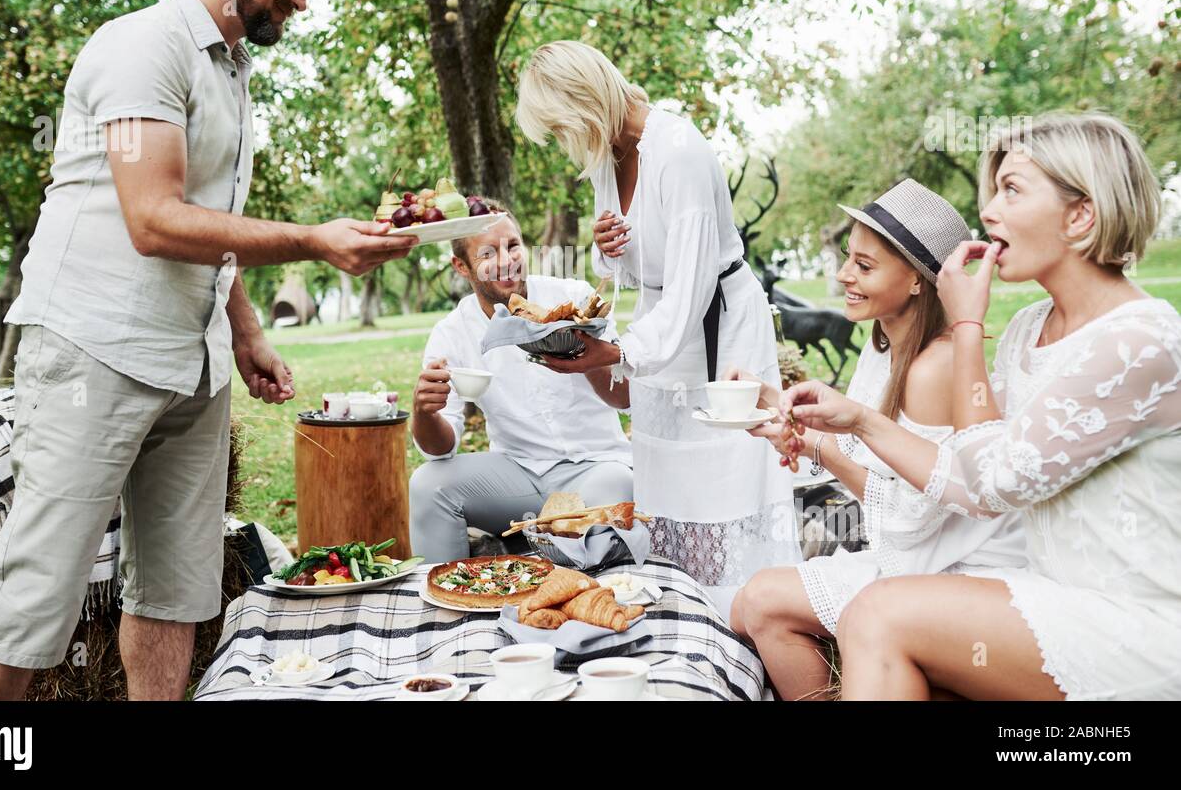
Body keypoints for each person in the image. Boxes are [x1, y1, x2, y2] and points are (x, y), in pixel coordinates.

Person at [0, 0, 416, 701]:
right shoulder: (141, 48)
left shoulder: (230, 69)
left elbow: (211, 220)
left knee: (176, 593)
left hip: (192, 365)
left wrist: (244, 329)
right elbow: (155, 219)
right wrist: (313, 239)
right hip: (96, 350)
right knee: (30, 595)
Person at [780, 112, 1181, 699]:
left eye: (1011, 190)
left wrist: (966, 326)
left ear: (1080, 215)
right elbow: (964, 480)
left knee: (878, 614)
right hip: (1043, 590)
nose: (988, 212)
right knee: (886, 618)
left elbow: (995, 485)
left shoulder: (1139, 341)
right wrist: (859, 421)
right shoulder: (1029, 327)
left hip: (1135, 622)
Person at [515, 40, 797, 617]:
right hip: (660, 320)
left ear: (585, 103)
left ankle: (746, 613)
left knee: (722, 472)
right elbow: (637, 264)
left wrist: (616, 351)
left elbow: (692, 287)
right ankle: (685, 608)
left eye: (562, 127)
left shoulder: (678, 151)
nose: (565, 143)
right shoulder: (609, 154)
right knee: (666, 469)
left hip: (717, 327)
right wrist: (607, 248)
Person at [727, 179, 1026, 699]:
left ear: (916, 282)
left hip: (953, 568)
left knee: (759, 603)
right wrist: (776, 403)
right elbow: (862, 447)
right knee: (749, 606)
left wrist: (818, 447)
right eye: (849, 258)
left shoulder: (935, 367)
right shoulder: (884, 343)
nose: (844, 274)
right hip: (918, 555)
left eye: (864, 266)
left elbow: (910, 520)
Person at [409, 207, 633, 563]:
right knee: (427, 484)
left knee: (617, 490)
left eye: (512, 246)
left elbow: (624, 398)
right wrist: (424, 412)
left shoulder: (576, 298)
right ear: (461, 266)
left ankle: (571, 578)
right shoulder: (452, 333)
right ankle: (446, 590)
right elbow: (440, 450)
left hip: (595, 465)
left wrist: (588, 355)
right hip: (515, 474)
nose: (506, 261)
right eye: (487, 253)